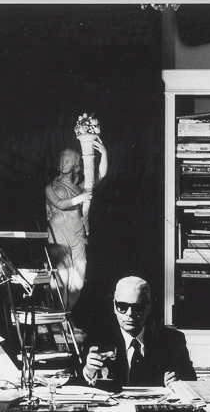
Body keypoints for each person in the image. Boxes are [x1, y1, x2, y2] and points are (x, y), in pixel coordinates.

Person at [82, 276, 196, 390]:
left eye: (138, 307)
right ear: (114, 306)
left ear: (149, 307)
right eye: (122, 307)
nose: (129, 313)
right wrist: (89, 372)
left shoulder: (172, 340)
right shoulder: (97, 339)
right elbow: (78, 386)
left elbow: (191, 379)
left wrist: (178, 381)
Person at [45, 142, 106, 312]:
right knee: (61, 278)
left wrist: (104, 153)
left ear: (75, 165)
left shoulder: (80, 189)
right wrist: (81, 199)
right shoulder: (51, 187)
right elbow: (60, 204)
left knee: (78, 283)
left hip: (78, 235)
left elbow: (99, 177)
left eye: (68, 161)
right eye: (62, 161)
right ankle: (60, 318)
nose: (63, 163)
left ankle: (66, 316)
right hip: (59, 235)